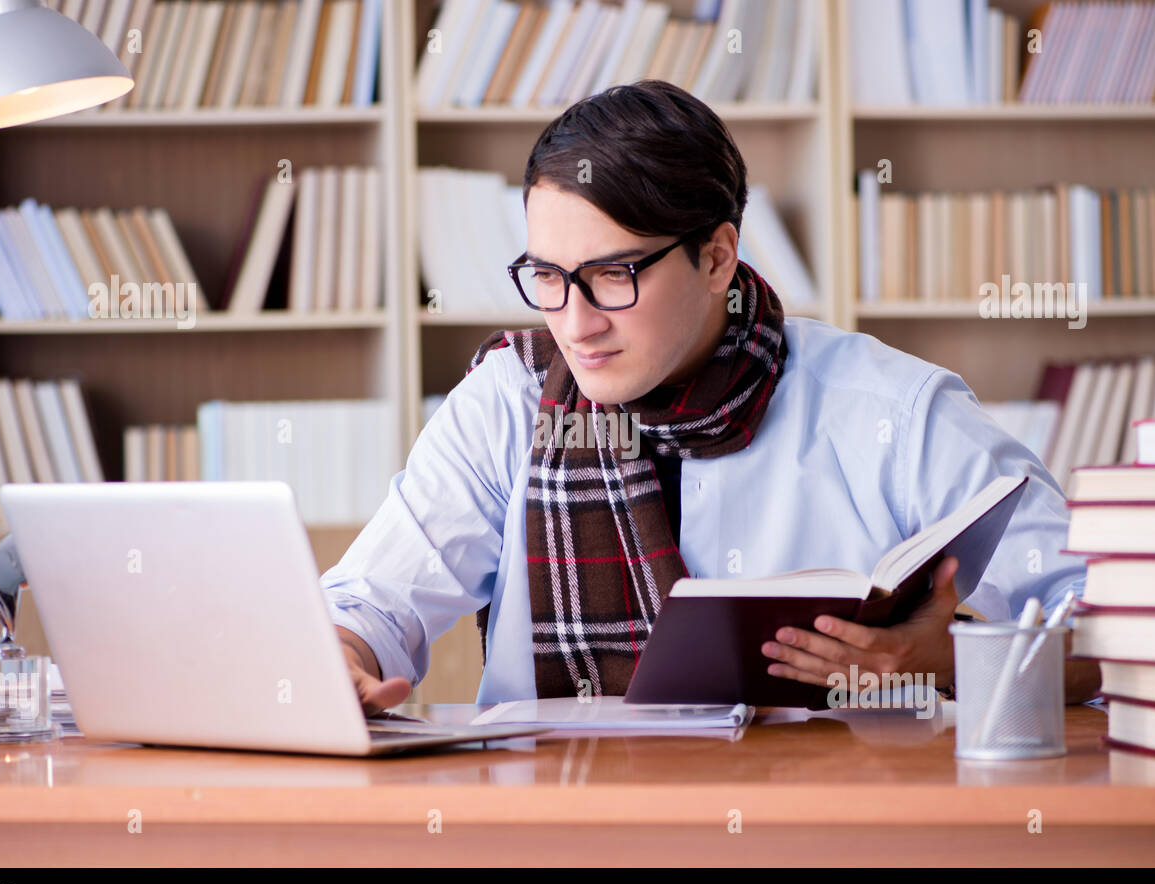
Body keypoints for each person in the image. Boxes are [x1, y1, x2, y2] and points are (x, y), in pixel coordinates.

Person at [321, 79, 1100, 716]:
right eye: (548, 277)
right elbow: (370, 602)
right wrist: (343, 661)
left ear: (718, 256)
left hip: (824, 832)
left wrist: (958, 659)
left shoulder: (890, 410)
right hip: (563, 830)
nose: (575, 322)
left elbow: (1112, 625)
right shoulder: (508, 403)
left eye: (613, 275)